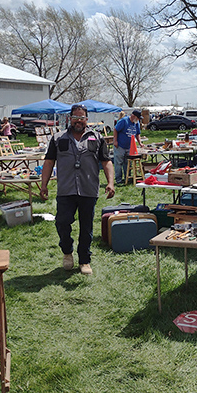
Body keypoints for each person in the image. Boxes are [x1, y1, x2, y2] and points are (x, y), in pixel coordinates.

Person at [40, 104, 115, 275]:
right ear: (70, 119)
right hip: (66, 189)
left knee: (86, 227)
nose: (78, 121)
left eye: (81, 118)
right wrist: (43, 185)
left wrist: (110, 183)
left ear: (86, 119)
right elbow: (49, 162)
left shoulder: (97, 138)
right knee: (62, 222)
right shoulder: (58, 138)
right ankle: (67, 252)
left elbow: (106, 162)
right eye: (75, 117)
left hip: (88, 189)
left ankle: (84, 260)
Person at [113, 110, 143, 186]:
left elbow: (138, 134)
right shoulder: (124, 121)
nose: (139, 120)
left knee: (128, 163)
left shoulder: (137, 123)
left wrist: (140, 143)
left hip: (130, 147)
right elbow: (115, 129)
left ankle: (128, 178)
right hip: (120, 145)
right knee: (119, 163)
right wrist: (115, 141)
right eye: (138, 118)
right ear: (134, 116)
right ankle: (118, 180)